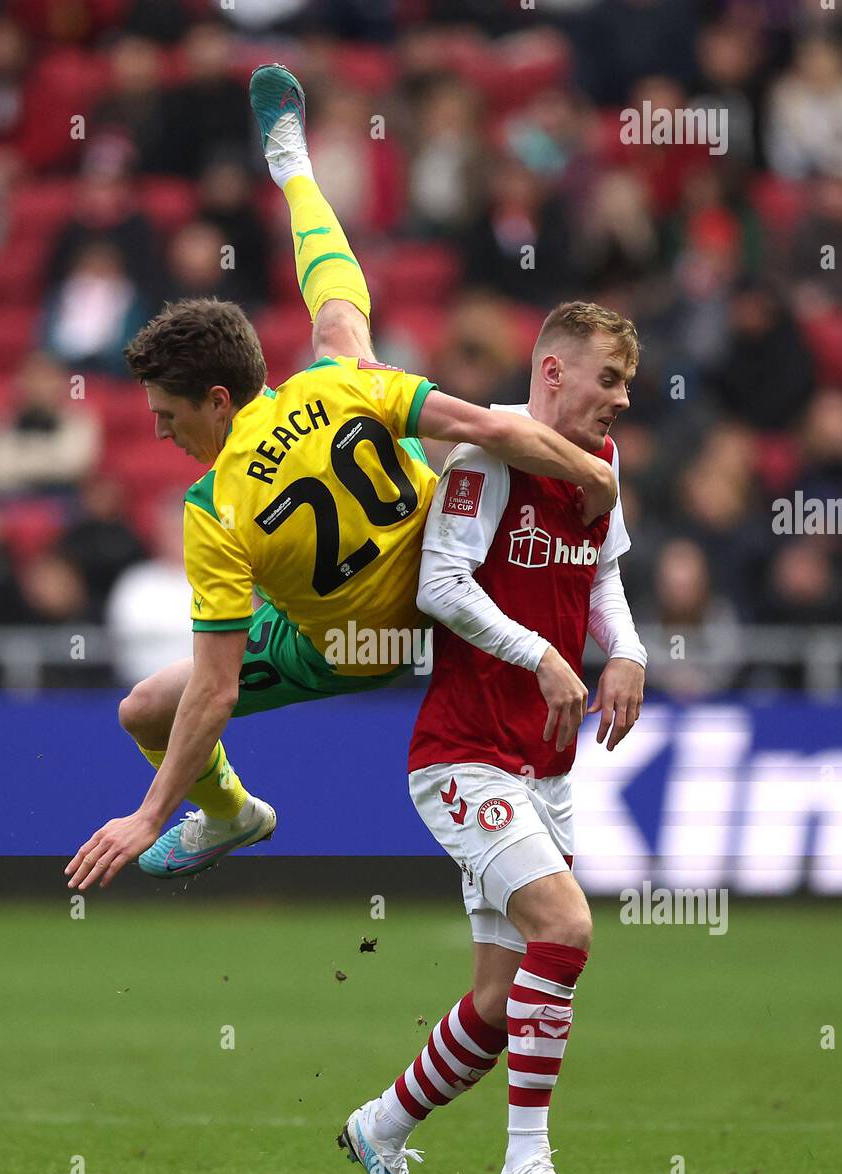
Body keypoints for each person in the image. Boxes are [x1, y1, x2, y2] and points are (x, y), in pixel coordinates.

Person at [65, 65, 617, 893]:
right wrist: (591, 475)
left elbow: (211, 694)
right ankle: (292, 163)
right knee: (340, 323)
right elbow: (492, 426)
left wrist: (146, 815)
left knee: (145, 709)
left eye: (168, 415)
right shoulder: (341, 382)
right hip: (456, 585)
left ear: (217, 402)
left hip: (357, 651)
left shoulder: (212, 509)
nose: (157, 430)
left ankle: (230, 815)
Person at [338, 301, 649, 1174]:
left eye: (628, 383)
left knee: (496, 1000)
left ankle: (379, 1128)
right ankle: (526, 1167)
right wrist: (542, 655)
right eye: (608, 380)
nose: (621, 400)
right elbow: (440, 585)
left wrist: (624, 652)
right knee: (566, 927)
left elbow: (599, 574)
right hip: (464, 755)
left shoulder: (602, 467)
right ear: (551, 372)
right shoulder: (484, 459)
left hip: (544, 766)